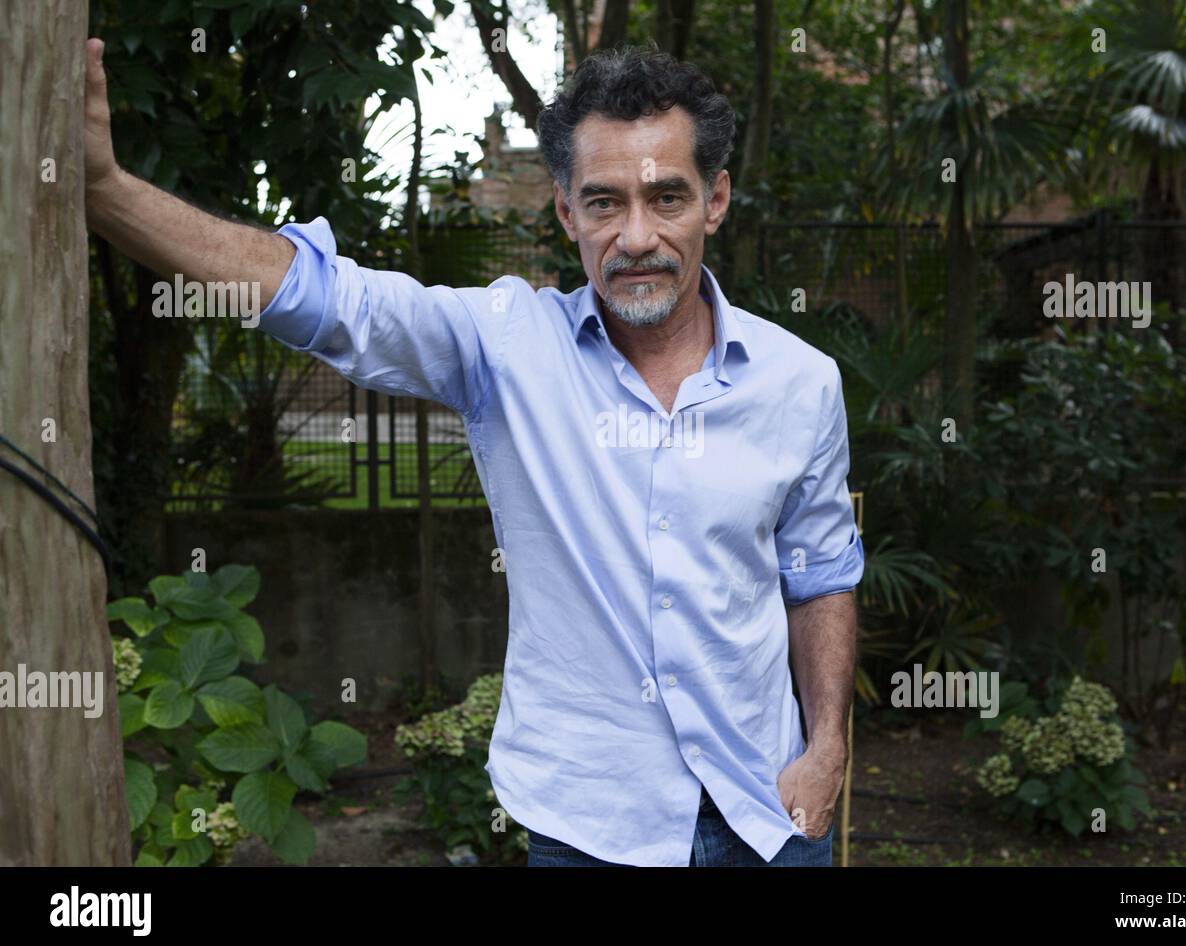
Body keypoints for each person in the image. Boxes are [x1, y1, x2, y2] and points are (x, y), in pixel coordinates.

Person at [83, 37, 864, 867]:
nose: (636, 236)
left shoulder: (800, 384)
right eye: (603, 203)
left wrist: (826, 750)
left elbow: (820, 577)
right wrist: (106, 191)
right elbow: (321, 298)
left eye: (666, 197)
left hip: (767, 816)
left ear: (715, 200)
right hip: (589, 832)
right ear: (566, 212)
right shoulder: (508, 347)